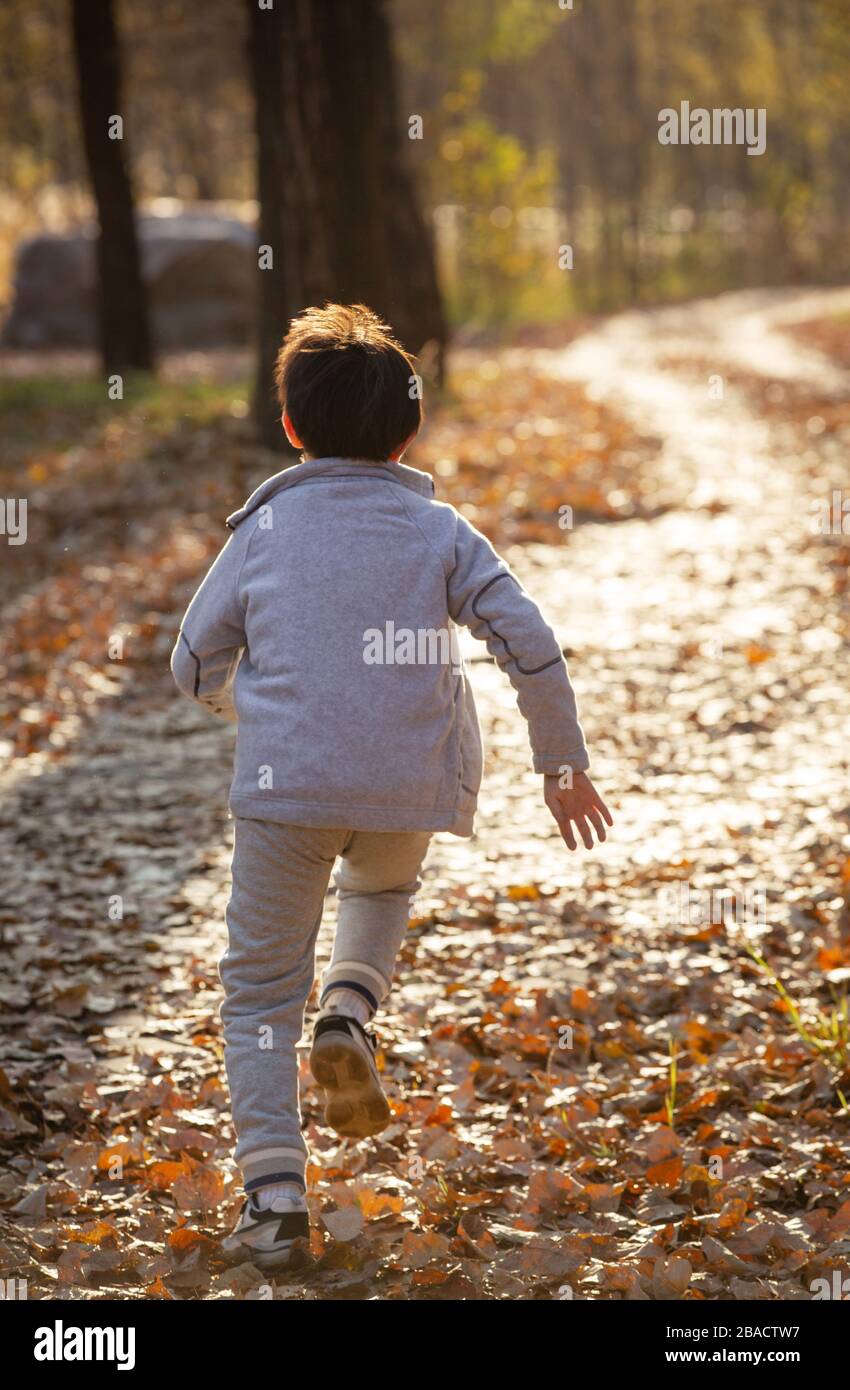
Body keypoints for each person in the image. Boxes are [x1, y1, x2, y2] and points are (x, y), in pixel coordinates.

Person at [171, 303, 612, 1266]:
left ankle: (278, 1200)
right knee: (379, 885)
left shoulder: (266, 527)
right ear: (411, 429)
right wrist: (560, 763)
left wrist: (246, 710)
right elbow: (529, 644)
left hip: (286, 791)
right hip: (403, 783)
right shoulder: (440, 530)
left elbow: (193, 659)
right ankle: (351, 1013)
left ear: (289, 425)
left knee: (254, 992)